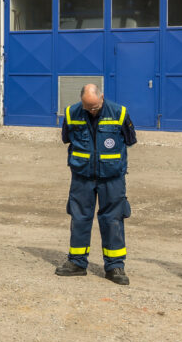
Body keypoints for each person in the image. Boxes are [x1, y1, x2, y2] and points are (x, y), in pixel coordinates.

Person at [54, 84, 138, 285]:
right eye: (87, 107)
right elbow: (66, 138)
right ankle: (77, 262)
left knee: (113, 220)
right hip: (82, 176)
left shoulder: (119, 113)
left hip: (112, 178)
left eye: (95, 107)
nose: (91, 110)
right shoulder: (72, 112)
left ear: (102, 97)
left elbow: (130, 139)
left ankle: (115, 266)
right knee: (80, 218)